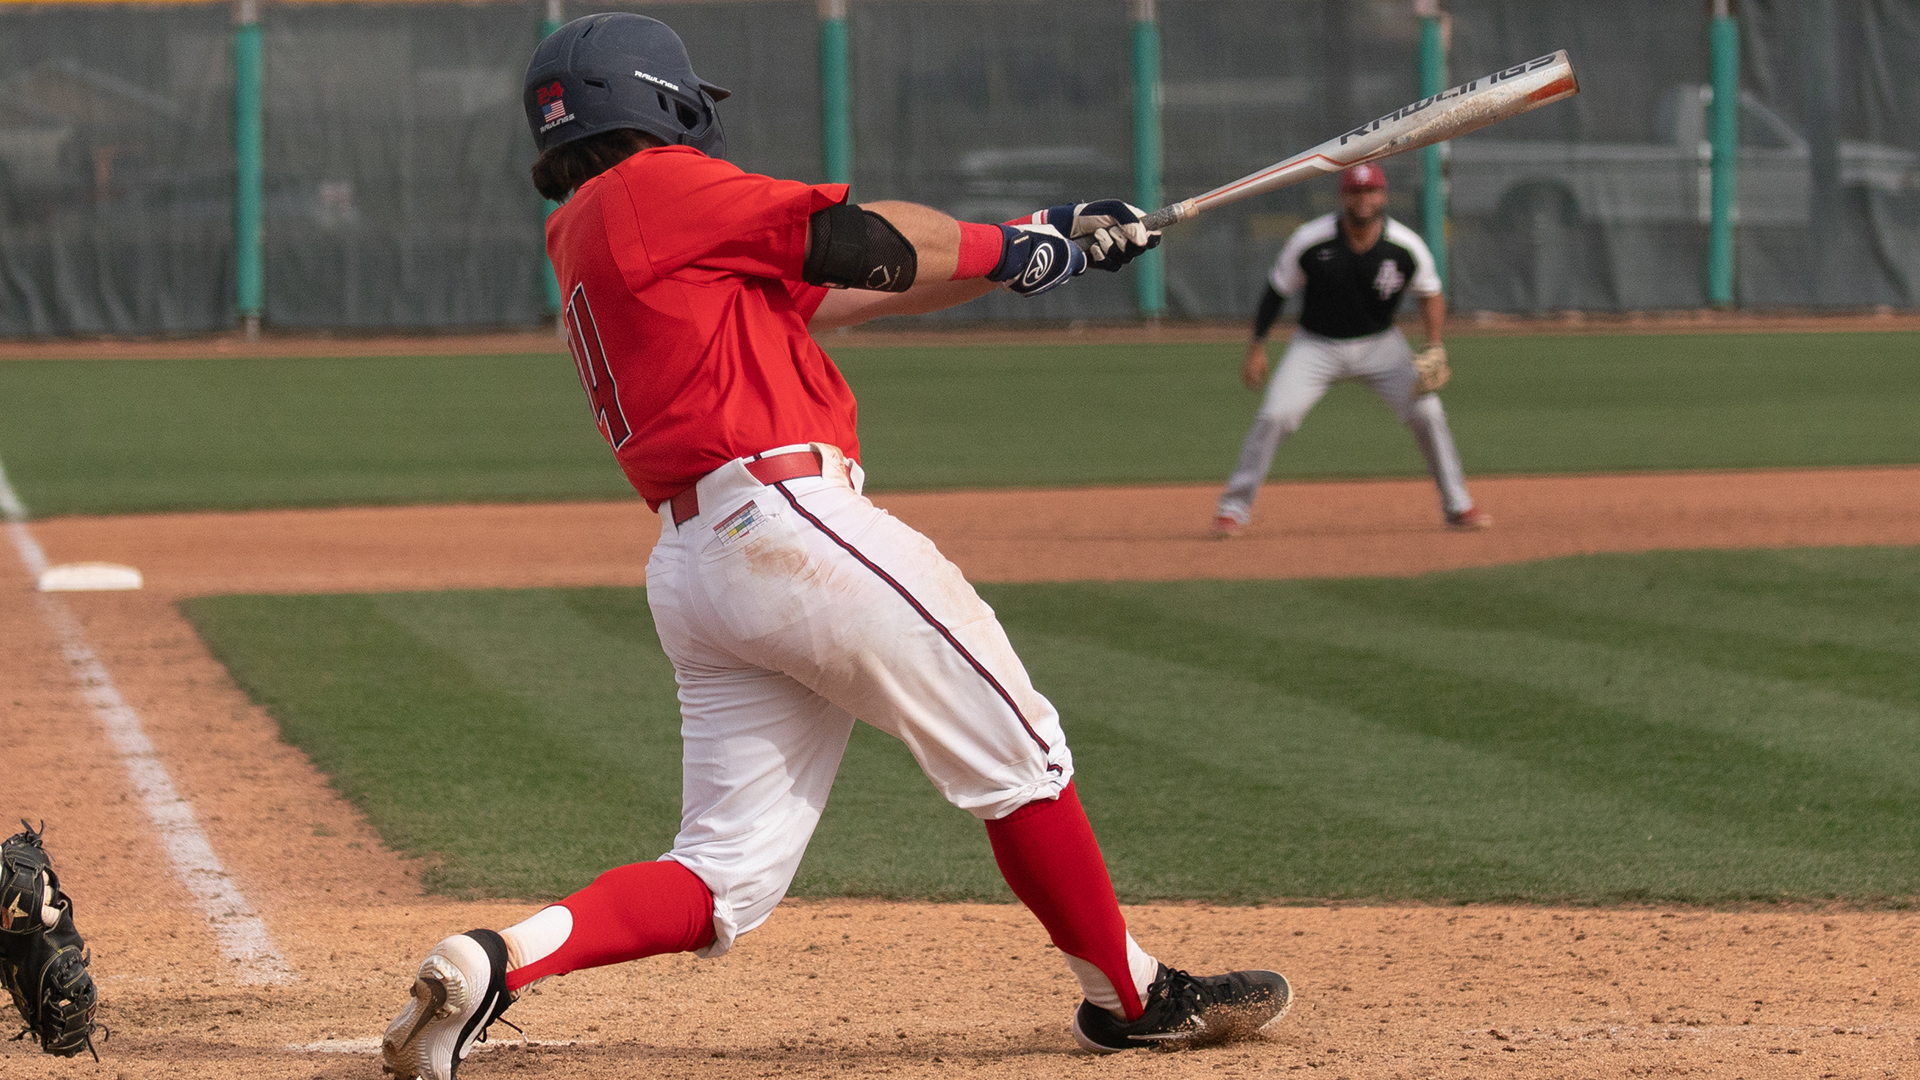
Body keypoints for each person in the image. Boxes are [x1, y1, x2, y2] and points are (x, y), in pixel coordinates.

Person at [379, 15, 1290, 1079]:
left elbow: (846, 289)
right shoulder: (658, 188)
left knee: (721, 879)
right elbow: (863, 239)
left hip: (702, 561)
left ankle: (493, 961)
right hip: (786, 527)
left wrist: (1037, 248)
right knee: (1023, 750)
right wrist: (1021, 242)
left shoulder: (605, 223)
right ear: (657, 100)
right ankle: (1129, 998)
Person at [1210, 163, 1488, 537]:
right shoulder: (1311, 239)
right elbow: (1277, 291)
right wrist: (1256, 346)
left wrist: (1434, 343)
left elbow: (1431, 293)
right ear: (1344, 197)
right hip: (1316, 345)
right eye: (1356, 192)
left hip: (1382, 346)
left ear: (1383, 196)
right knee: (1276, 416)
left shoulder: (1405, 245)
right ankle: (1233, 509)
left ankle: (1458, 505)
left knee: (1429, 413)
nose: (1364, 199)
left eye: (1371, 191)